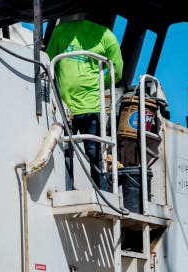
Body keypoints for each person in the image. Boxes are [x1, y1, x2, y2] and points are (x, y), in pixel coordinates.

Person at [47, 18, 123, 191]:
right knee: (94, 153)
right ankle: (99, 192)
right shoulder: (107, 36)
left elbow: (48, 63)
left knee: (67, 151)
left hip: (71, 107)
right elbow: (117, 72)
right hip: (71, 108)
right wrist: (98, 84)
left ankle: (73, 190)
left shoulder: (60, 30)